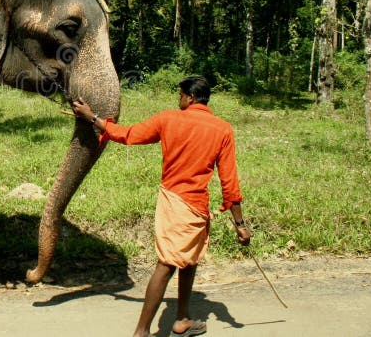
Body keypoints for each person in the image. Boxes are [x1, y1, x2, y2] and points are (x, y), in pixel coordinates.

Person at [71, 76, 251, 337]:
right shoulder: (222, 129)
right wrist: (240, 225)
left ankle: (145, 331)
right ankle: (181, 318)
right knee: (187, 261)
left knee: (169, 264)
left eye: (180, 95)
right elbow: (230, 183)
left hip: (173, 202)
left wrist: (92, 117)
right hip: (197, 207)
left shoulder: (169, 119)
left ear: (190, 97)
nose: (178, 100)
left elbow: (127, 135)